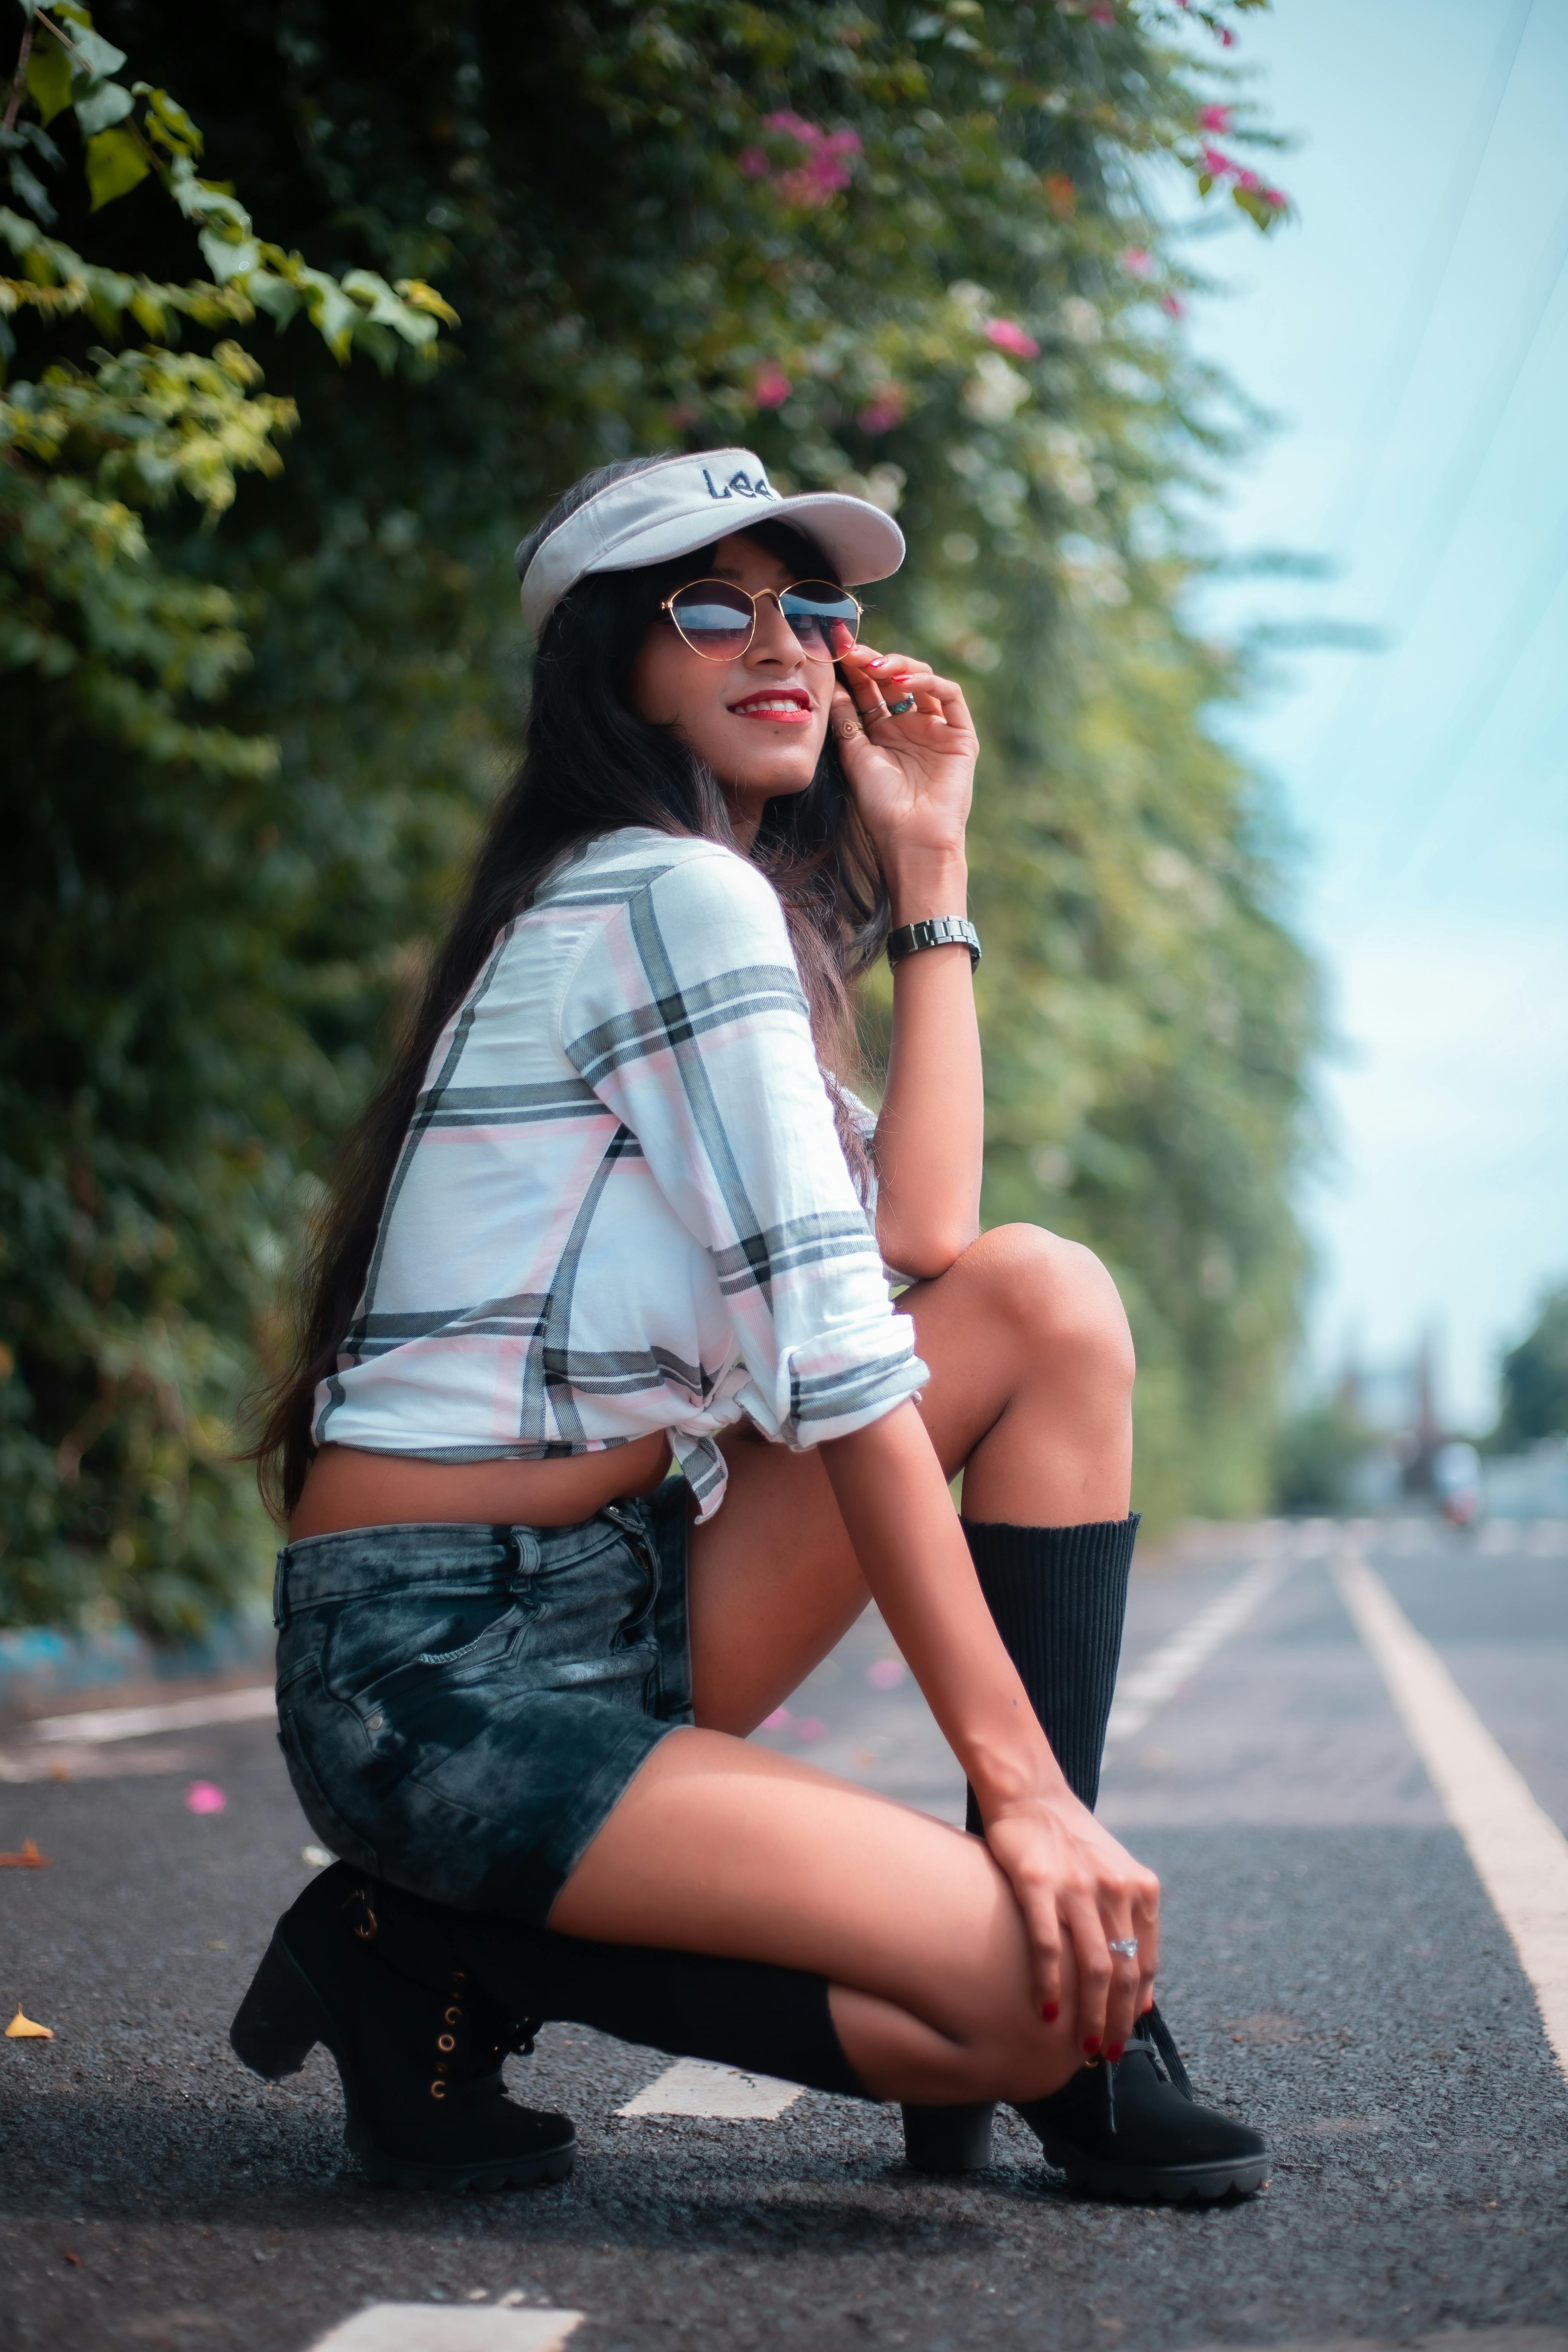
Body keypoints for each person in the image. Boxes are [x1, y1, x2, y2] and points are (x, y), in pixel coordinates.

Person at [234, 448, 1268, 2204]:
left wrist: (927, 861)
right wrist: (1016, 1791)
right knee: (1023, 2006)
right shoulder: (661, 895)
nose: (778, 645)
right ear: (609, 664)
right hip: (432, 1673)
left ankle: (1085, 2026)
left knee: (1041, 1299)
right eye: (707, 611)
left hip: (626, 1594)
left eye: (812, 609)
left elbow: (924, 1248)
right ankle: (415, 1943)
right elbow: (849, 1365)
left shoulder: (720, 907)